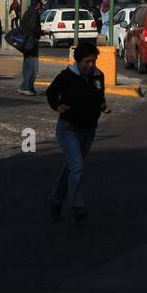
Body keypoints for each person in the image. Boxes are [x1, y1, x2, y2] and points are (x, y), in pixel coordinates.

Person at [46, 40, 108, 222]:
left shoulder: (98, 76)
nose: (90, 65)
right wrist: (57, 106)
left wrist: (103, 107)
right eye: (87, 62)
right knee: (77, 166)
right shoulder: (67, 76)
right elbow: (51, 92)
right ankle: (77, 205)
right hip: (68, 129)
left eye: (93, 61)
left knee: (73, 167)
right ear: (78, 61)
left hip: (89, 129)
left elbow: (99, 97)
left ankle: (55, 200)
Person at [17, 0, 43, 95]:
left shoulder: (28, 12)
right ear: (37, 4)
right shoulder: (34, 13)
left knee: (29, 63)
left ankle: (28, 86)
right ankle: (26, 86)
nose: (42, 6)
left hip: (27, 42)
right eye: (41, 4)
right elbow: (33, 28)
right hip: (31, 42)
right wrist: (41, 32)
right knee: (32, 65)